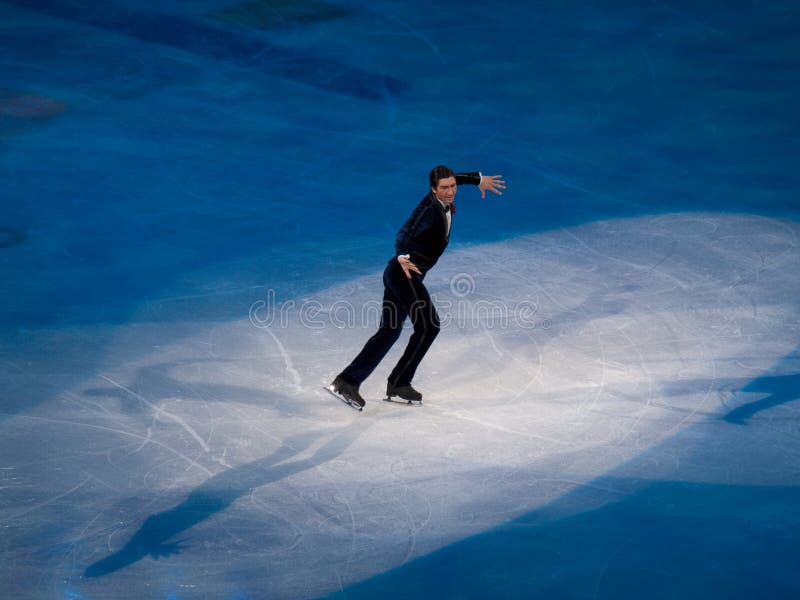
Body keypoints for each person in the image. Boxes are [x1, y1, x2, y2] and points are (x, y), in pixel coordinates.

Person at [329, 166, 506, 409]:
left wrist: (476, 180)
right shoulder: (428, 210)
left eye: (453, 186)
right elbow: (405, 233)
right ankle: (399, 382)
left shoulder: (445, 194)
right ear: (433, 190)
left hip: (399, 274)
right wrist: (402, 254)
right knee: (429, 326)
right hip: (404, 273)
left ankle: (348, 381)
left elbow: (456, 179)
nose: (450, 191)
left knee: (389, 331)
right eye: (444, 188)